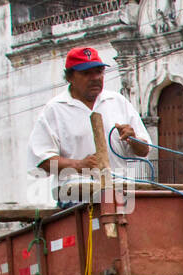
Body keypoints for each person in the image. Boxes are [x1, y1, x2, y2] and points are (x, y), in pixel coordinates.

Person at [28, 46, 150, 184]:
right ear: (69, 77)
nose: (95, 78)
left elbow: (144, 151)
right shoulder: (55, 109)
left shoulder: (118, 101)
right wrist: (78, 165)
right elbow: (41, 160)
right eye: (86, 73)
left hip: (121, 189)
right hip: (76, 193)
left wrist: (134, 139)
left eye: (99, 72)